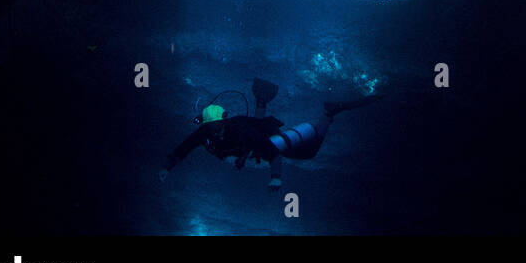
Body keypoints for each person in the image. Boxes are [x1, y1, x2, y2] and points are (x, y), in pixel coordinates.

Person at [160, 78, 380, 189]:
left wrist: (275, 178)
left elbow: (272, 152)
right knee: (260, 126)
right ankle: (261, 99)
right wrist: (167, 167)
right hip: (256, 130)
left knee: (307, 152)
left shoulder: (239, 132)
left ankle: (329, 113)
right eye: (210, 126)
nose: (212, 129)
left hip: (261, 138)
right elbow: (184, 148)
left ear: (223, 121)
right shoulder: (204, 133)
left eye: (215, 125)